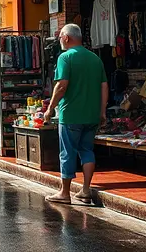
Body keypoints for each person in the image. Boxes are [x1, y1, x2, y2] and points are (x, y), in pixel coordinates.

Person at [44, 24, 108, 206]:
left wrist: (50, 108)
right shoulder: (95, 59)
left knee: (67, 152)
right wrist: (102, 111)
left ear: (66, 38)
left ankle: (65, 192)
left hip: (70, 114)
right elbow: (104, 86)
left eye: (60, 37)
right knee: (87, 150)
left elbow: (62, 85)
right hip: (91, 115)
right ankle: (86, 190)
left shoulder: (65, 57)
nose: (59, 41)